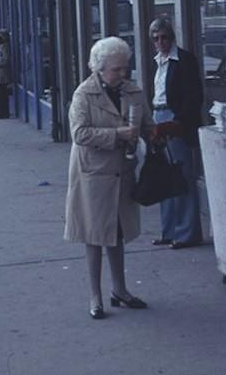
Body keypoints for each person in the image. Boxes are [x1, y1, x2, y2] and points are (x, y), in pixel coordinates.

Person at [64, 36, 153, 319]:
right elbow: (79, 134)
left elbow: (148, 124)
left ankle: (120, 290)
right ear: (99, 68)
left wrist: (154, 134)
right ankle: (95, 296)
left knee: (117, 233)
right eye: (116, 69)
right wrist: (117, 135)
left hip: (122, 171)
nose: (122, 74)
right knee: (94, 234)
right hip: (94, 173)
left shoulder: (133, 91)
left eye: (124, 67)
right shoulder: (83, 94)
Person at [149, 16, 203, 249]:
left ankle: (187, 233)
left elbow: (194, 96)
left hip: (175, 118)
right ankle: (169, 230)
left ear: (172, 38)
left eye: (164, 37)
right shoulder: (158, 62)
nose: (160, 42)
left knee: (182, 177)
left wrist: (179, 122)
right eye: (156, 39)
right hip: (158, 115)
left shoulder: (184, 61)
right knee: (164, 176)